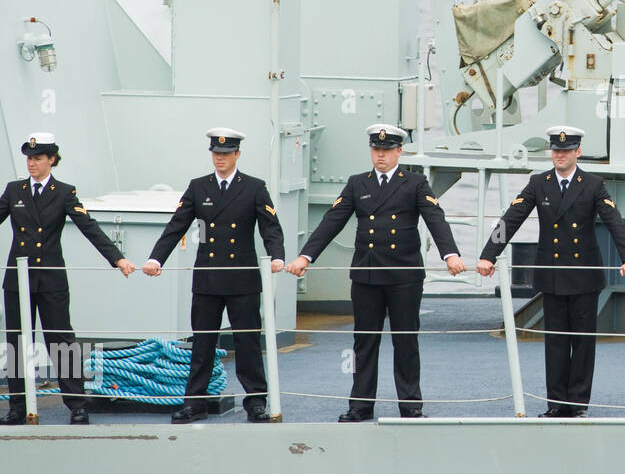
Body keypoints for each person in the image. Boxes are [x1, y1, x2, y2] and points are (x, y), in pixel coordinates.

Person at [286, 124, 465, 421]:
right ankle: (360, 404)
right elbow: (332, 221)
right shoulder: (358, 184)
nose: (380, 155)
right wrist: (306, 256)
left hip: (404, 276)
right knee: (364, 342)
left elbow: (435, 218)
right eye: (376, 150)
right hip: (367, 276)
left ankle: (410, 404)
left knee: (405, 340)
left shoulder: (415, 183)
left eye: (387, 150)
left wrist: (451, 254)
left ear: (399, 152)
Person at [478, 126, 625, 417]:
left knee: (582, 343)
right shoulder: (539, 183)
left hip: (584, 276)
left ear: (577, 152)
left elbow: (613, 220)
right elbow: (510, 218)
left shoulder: (592, 184)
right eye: (556, 150)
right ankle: (556, 405)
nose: (560, 155)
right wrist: (489, 255)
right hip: (552, 275)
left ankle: (577, 405)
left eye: (566, 151)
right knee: (554, 342)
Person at [142, 128, 285, 423]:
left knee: (247, 343)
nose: (220, 159)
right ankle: (195, 402)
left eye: (226, 154)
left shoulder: (255, 188)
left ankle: (256, 401)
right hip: (207, 277)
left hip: (242, 278)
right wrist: (156, 258)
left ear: (237, 155)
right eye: (216, 154)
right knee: (203, 342)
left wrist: (277, 256)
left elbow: (270, 226)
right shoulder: (198, 187)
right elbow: (177, 225)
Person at [1, 133, 136, 425]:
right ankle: (17, 406)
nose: (32, 163)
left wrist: (118, 259)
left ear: (52, 160)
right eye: (29, 158)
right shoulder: (14, 191)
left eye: (38, 158)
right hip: (18, 281)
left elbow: (89, 227)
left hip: (50, 280)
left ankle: (76, 404)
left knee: (61, 341)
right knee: (17, 343)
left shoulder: (63, 192)